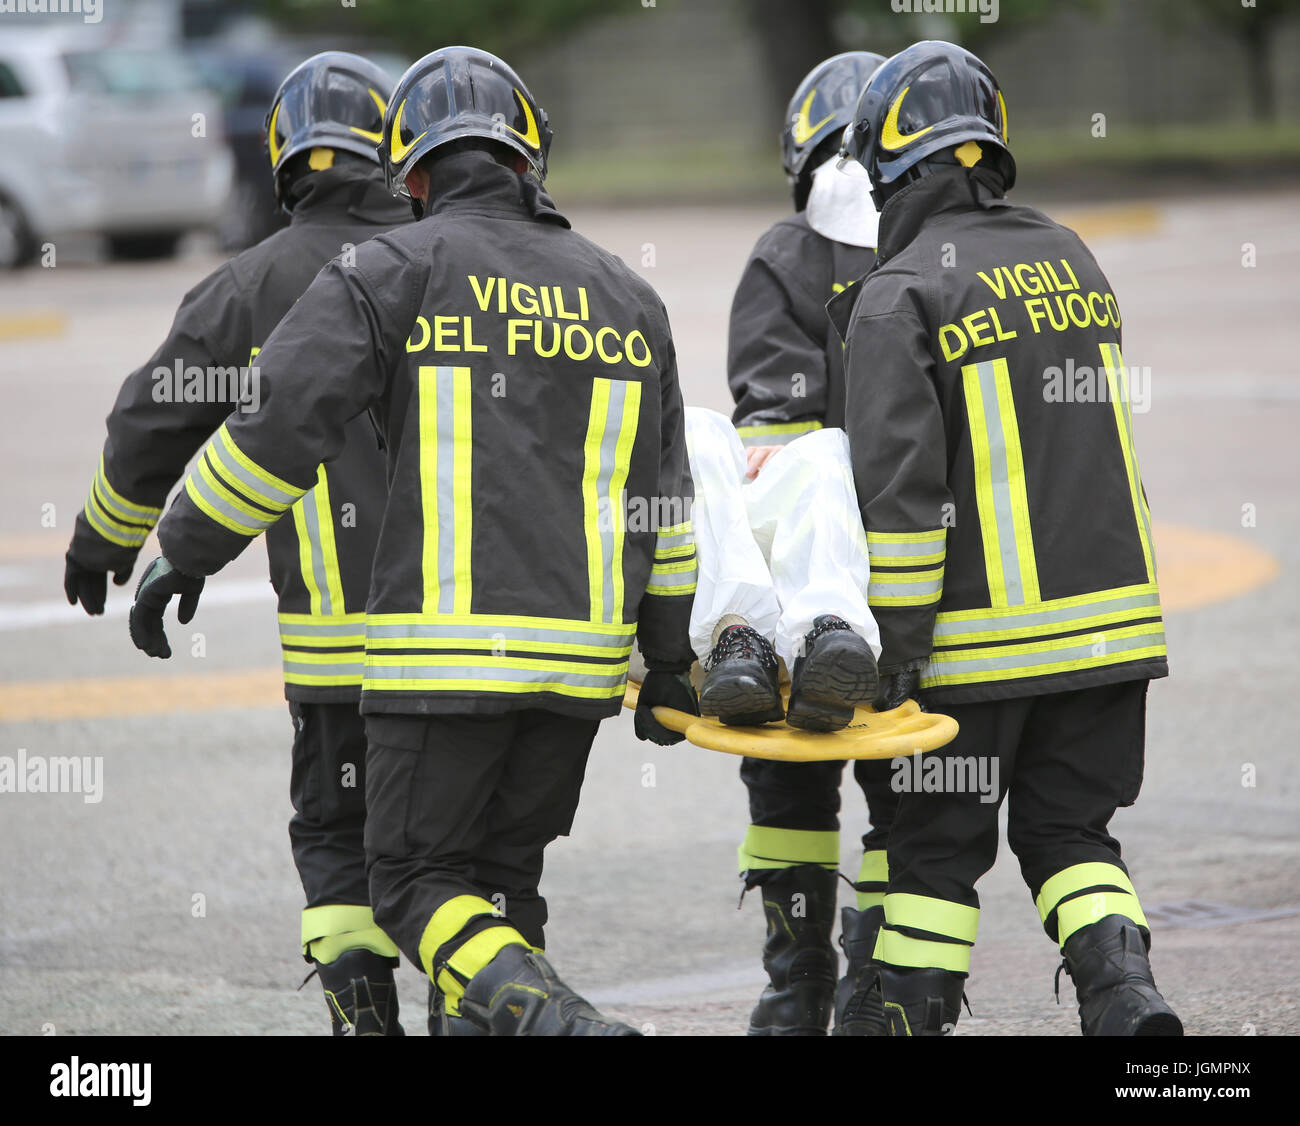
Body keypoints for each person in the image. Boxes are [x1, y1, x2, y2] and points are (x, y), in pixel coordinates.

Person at [127, 46, 698, 1037]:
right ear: (531, 161)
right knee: (497, 884)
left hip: (443, 661)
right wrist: (675, 661)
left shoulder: (389, 269)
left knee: (410, 881)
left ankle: (557, 1019)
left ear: (416, 173)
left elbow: (277, 426)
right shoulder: (625, 295)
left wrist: (183, 545)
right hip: (578, 675)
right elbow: (668, 506)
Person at [832, 40, 1182, 1036]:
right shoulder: (1072, 257)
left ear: (889, 166)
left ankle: (902, 1019)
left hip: (977, 649)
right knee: (1072, 833)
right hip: (1112, 633)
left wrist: (891, 660)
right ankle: (1126, 997)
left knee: (936, 851)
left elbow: (901, 499)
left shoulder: (896, 294)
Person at [63, 52, 412, 1035]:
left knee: (342, 843)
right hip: (491, 640)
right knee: (469, 851)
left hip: (340, 650)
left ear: (284, 157)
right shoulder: (455, 258)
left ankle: (364, 1017)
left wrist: (105, 536)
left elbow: (150, 421)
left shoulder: (251, 285)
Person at [685, 51, 899, 1036]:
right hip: (908, 583)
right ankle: (874, 981)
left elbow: (770, 421)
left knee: (786, 770)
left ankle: (798, 982)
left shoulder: (784, 253)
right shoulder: (939, 250)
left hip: (819, 587)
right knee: (906, 785)